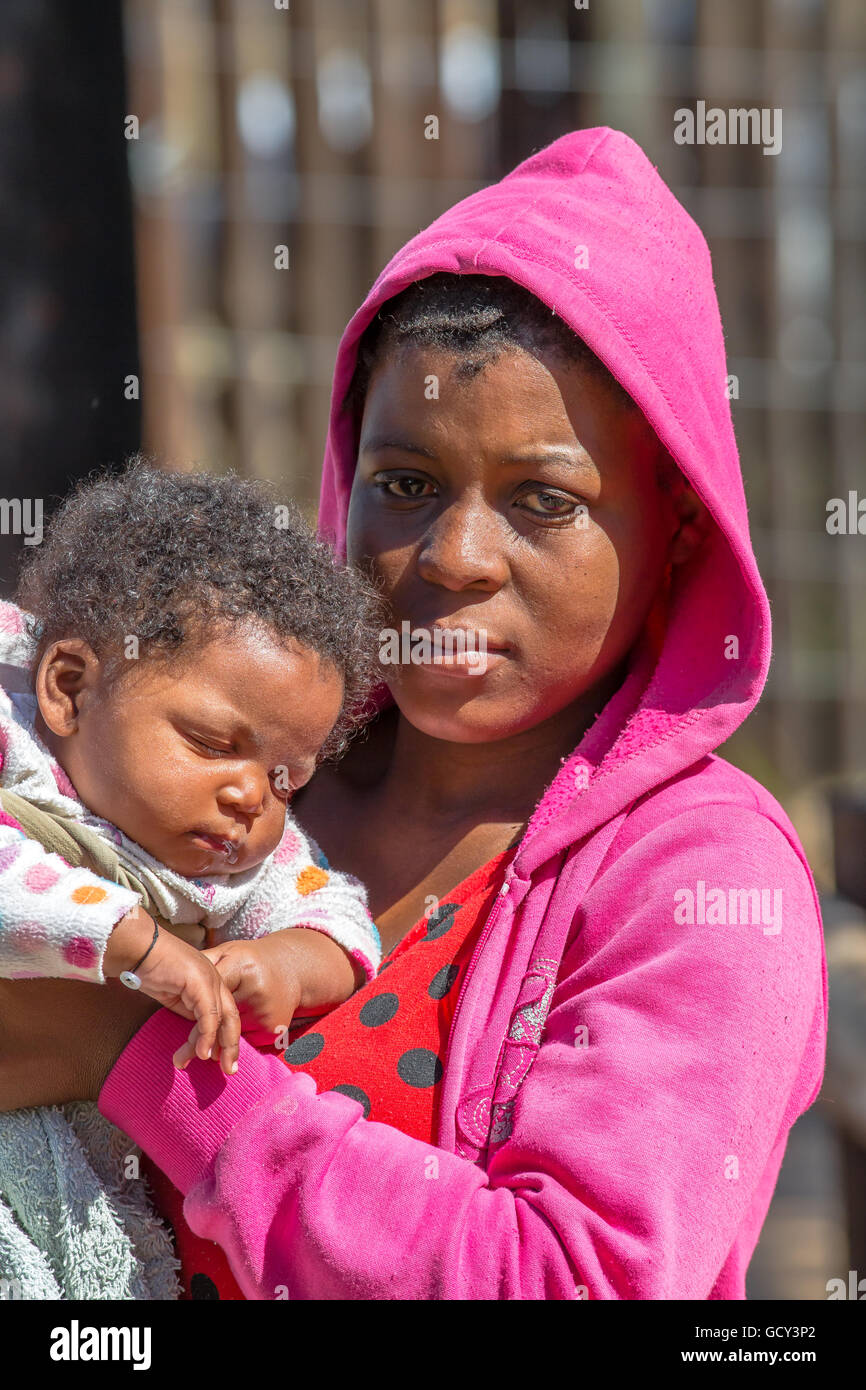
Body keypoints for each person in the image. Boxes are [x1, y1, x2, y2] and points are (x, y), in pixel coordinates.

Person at [0, 127, 827, 1300]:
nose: (453, 556)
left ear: (675, 526)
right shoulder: (215, 771)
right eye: (407, 484)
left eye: (543, 498)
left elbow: (573, 1281)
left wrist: (129, 1054)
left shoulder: (697, 877)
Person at [0, 462, 382, 1298]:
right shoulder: (14, 760)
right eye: (212, 743)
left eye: (287, 777)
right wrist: (140, 945)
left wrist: (288, 960)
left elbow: (343, 917)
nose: (251, 794)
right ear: (70, 688)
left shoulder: (225, 851)